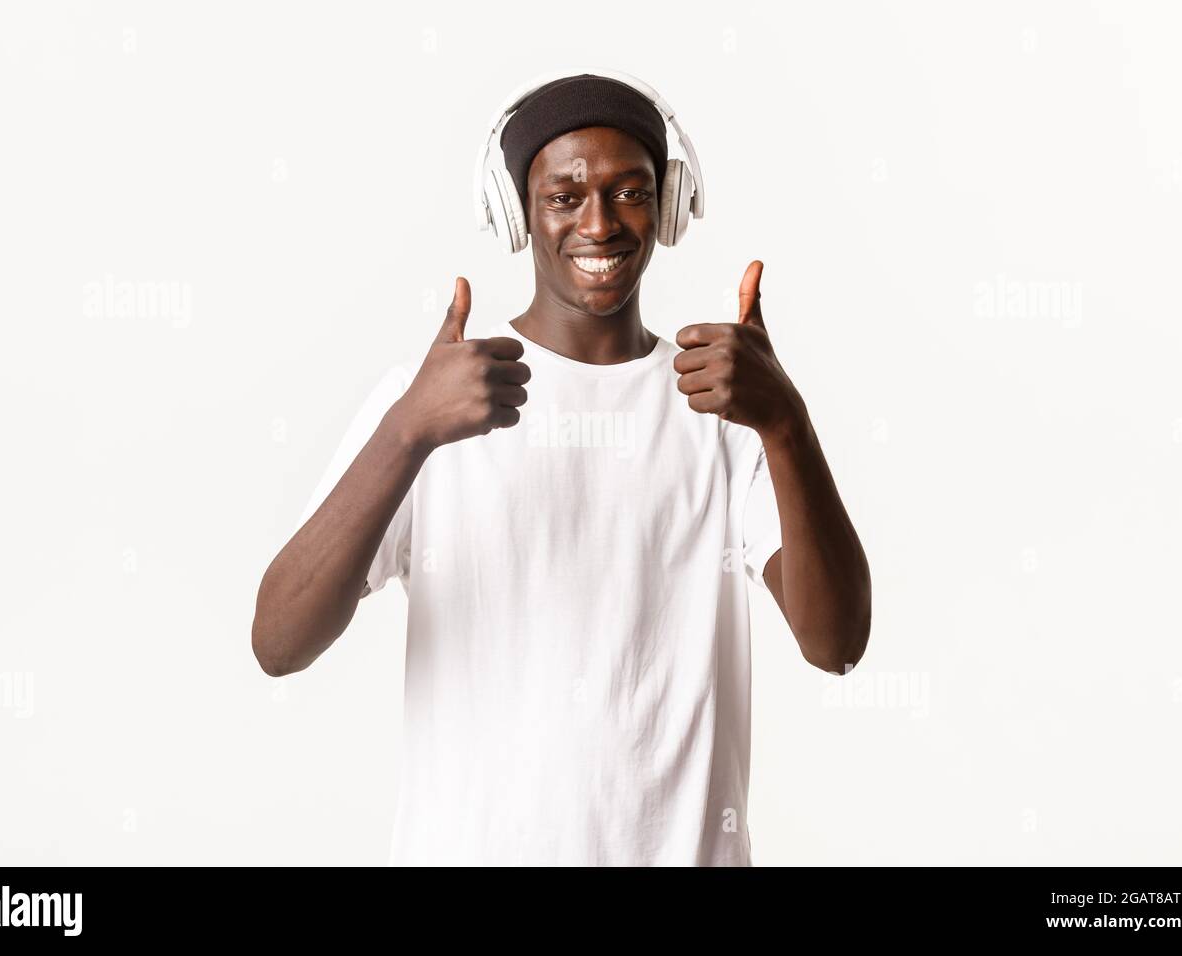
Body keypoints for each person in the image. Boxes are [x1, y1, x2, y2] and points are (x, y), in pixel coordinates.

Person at [251, 73, 872, 866]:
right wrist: (406, 430)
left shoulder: (727, 409)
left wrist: (787, 423)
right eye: (565, 196)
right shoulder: (427, 404)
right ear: (518, 213)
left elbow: (837, 642)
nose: (601, 223)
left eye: (631, 193)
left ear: (670, 207)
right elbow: (278, 642)